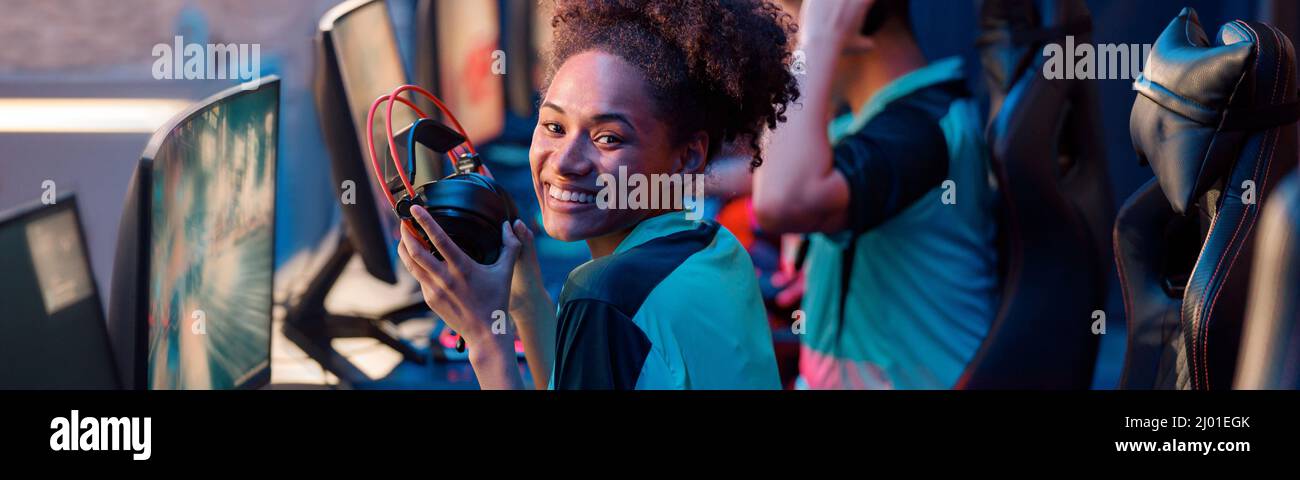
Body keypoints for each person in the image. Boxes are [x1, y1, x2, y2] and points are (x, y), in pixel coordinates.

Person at [397, 0, 800, 389]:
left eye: (608, 138)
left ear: (688, 155)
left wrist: (484, 336)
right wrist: (524, 295)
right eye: (554, 127)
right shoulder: (715, 246)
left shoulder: (603, 298)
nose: (566, 162)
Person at [753, 0, 999, 389]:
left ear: (854, 18)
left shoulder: (921, 132)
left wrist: (817, 41)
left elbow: (782, 200)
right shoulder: (879, 121)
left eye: (785, 23)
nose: (778, 50)